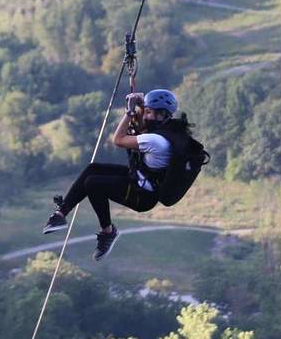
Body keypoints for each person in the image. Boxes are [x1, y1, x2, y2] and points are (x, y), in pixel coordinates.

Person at [42, 88, 191, 260]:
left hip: (142, 196)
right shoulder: (167, 131)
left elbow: (118, 140)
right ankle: (61, 214)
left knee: (93, 183)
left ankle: (108, 232)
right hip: (140, 179)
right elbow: (143, 126)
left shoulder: (156, 141)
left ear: (160, 115)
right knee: (93, 168)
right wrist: (141, 105)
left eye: (148, 112)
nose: (145, 115)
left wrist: (129, 112)